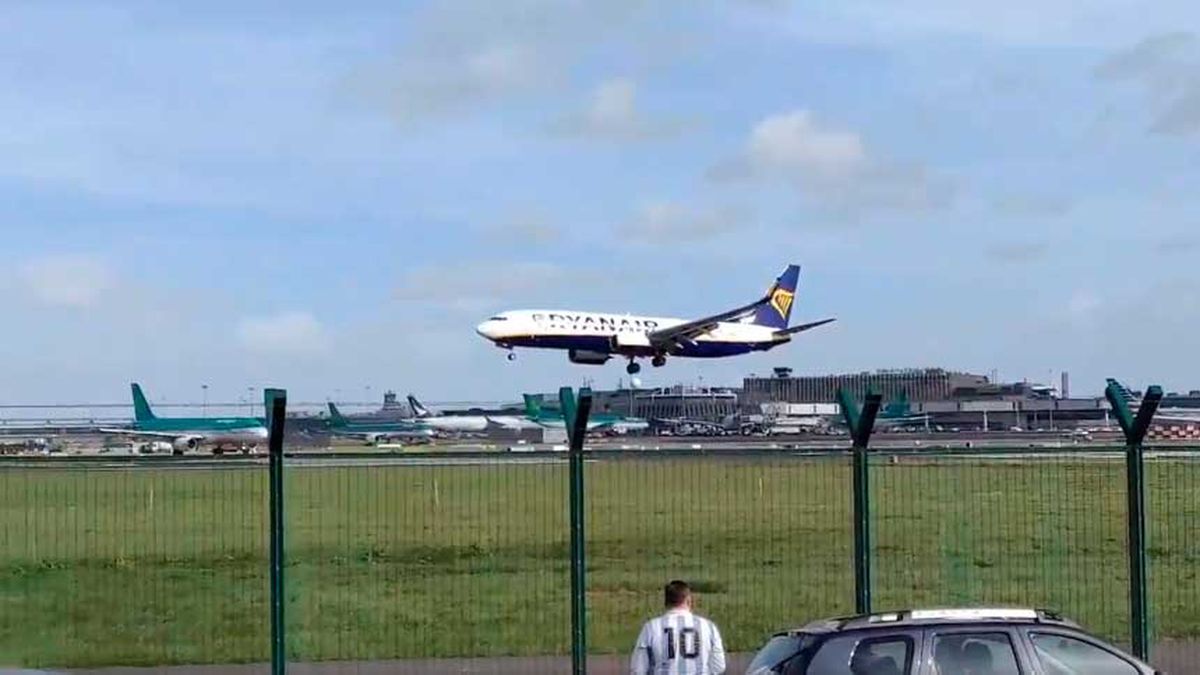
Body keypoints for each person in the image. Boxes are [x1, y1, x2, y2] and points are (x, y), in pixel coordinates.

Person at [630, 580, 726, 674]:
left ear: (666, 602)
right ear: (689, 600)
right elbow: (719, 666)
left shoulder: (651, 627)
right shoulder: (708, 627)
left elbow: (638, 669)